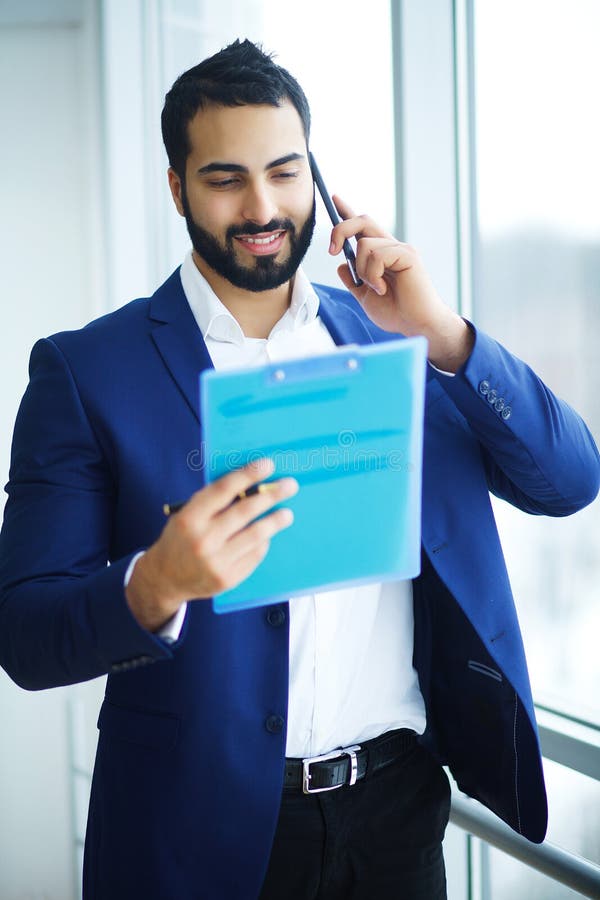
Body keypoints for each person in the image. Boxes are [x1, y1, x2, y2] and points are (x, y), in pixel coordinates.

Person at [0, 38, 598, 900]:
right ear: (178, 187)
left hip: (396, 819)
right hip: (194, 834)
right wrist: (153, 585)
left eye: (284, 172)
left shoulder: (393, 342)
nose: (262, 205)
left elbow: (570, 481)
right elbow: (24, 634)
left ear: (314, 176)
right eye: (225, 178)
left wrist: (446, 335)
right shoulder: (88, 371)